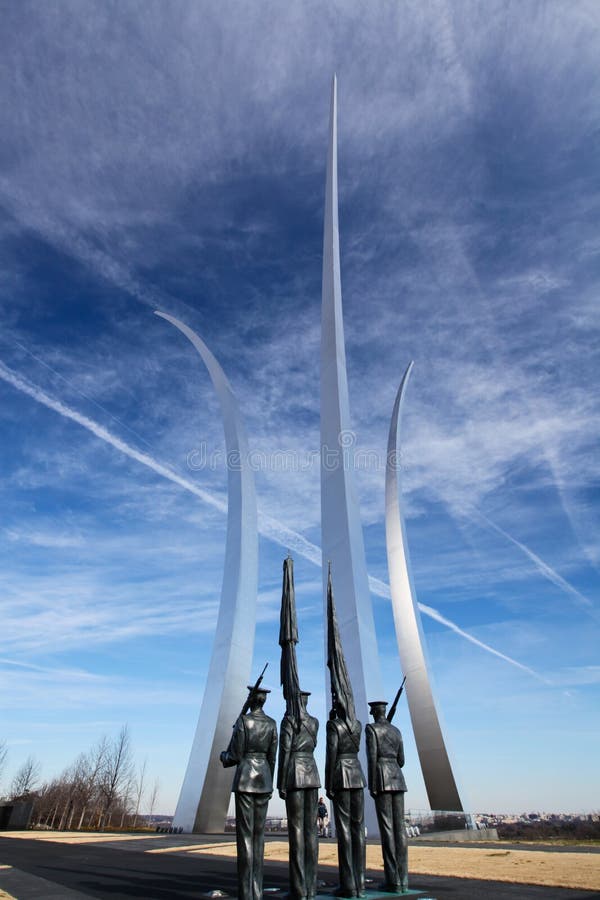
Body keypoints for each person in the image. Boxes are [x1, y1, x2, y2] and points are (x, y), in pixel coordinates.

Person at [220, 686, 277, 900]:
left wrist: (223, 756)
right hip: (264, 780)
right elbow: (272, 757)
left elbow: (235, 755)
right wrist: (270, 781)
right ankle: (257, 891)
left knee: (245, 838)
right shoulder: (271, 723)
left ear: (251, 700)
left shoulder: (243, 722)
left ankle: (246, 893)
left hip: (245, 780)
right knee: (258, 838)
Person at [277, 690, 320, 900]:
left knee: (296, 831)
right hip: (312, 774)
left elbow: (285, 751)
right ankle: (311, 887)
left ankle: (299, 889)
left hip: (294, 773)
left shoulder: (289, 722)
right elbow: (314, 744)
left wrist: (280, 782)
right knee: (311, 832)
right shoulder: (314, 723)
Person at [365, 700, 408, 893]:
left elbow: (372, 758)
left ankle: (393, 880)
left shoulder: (372, 729)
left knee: (387, 829)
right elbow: (402, 760)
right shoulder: (396, 731)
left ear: (374, 712)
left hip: (382, 778)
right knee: (400, 828)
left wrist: (373, 785)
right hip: (398, 777)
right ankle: (403, 879)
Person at [325, 705, 366, 898]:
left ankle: (348, 884)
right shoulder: (358, 725)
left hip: (341, 775)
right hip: (357, 775)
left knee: (344, 830)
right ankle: (360, 883)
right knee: (358, 828)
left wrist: (329, 783)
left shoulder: (334, 726)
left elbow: (332, 754)